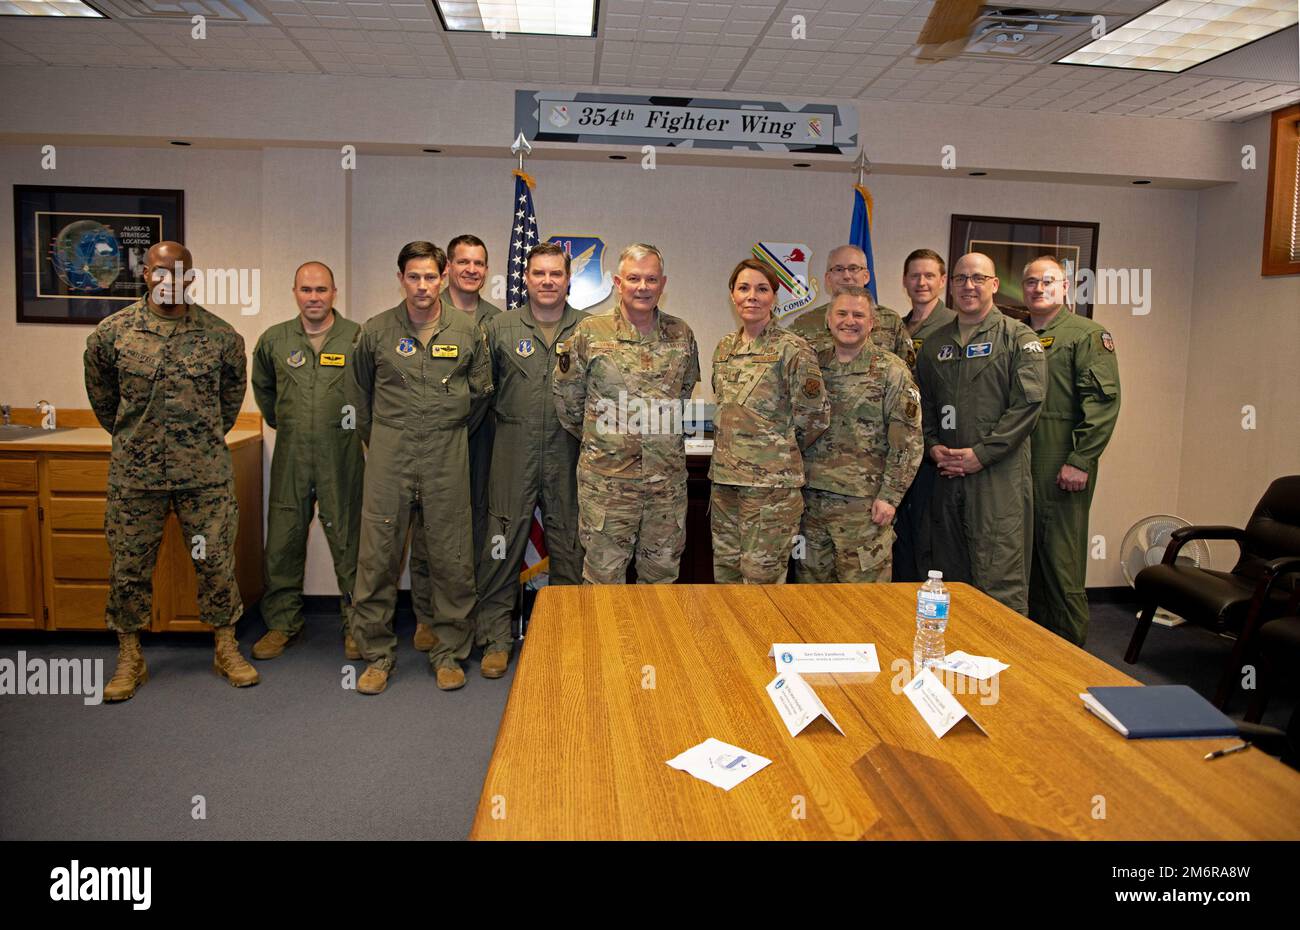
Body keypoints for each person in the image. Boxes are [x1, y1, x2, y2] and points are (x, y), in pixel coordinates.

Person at [84, 240, 257, 701]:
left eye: (179, 274)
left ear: (191, 279)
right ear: (146, 275)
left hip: (203, 475)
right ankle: (129, 657)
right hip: (136, 478)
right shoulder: (112, 334)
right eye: (161, 272)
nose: (169, 281)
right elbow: (104, 403)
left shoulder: (221, 337)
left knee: (216, 562)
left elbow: (228, 404)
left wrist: (194, 442)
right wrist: (137, 441)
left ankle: (225, 647)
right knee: (129, 568)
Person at [347, 241, 493, 694]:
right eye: (414, 276)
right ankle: (375, 654)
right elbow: (358, 399)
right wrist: (385, 440)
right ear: (401, 279)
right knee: (378, 556)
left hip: (447, 451)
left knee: (451, 556)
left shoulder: (468, 331)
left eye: (431, 276)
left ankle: (449, 652)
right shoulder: (375, 332)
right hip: (391, 449)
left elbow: (481, 394)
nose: (423, 286)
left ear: (444, 277)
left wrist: (447, 431)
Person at [554, 243, 700, 584]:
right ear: (619, 283)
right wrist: (609, 441)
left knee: (662, 581)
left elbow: (683, 392)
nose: (643, 287)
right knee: (603, 582)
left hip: (665, 488)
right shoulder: (590, 333)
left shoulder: (682, 334)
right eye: (634, 278)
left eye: (651, 279)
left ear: (663, 284)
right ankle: (606, 641)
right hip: (607, 488)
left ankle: (656, 641)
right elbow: (569, 403)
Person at [476, 243, 587, 676]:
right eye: (538, 273)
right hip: (512, 451)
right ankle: (497, 641)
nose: (547, 281)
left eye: (555, 274)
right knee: (501, 546)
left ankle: (566, 638)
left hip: (568, 452)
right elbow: (481, 394)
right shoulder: (500, 328)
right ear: (526, 278)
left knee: (569, 547)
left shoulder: (589, 330)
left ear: (567, 279)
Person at [914, 252, 1046, 615]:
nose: (968, 286)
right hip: (946, 475)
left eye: (977, 278)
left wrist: (981, 455)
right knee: (948, 574)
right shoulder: (935, 344)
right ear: (950, 285)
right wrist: (933, 446)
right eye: (960, 278)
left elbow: (1027, 407)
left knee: (998, 577)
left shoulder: (1018, 338)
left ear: (994, 285)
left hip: (997, 477)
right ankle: (953, 657)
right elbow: (921, 405)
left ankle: (1004, 664)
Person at [248, 262, 363, 661]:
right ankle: (283, 623)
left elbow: (373, 391)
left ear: (335, 292)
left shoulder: (357, 337)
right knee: (283, 537)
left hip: (343, 454)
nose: (314, 297)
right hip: (292, 453)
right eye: (306, 290)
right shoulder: (274, 340)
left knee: (350, 539)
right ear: (295, 292)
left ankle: (356, 624)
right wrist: (290, 422)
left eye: (322, 290)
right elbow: (265, 392)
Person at [408, 235, 502, 654]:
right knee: (429, 528)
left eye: (478, 263)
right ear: (448, 268)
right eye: (462, 262)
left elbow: (491, 390)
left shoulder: (498, 322)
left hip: (482, 438)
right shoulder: (425, 313)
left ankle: (472, 614)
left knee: (478, 526)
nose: (471, 269)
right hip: (430, 443)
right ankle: (427, 615)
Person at [711, 259, 829, 584]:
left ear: (774, 297)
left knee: (761, 585)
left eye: (762, 289)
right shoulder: (724, 349)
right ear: (732, 295)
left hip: (771, 490)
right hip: (725, 484)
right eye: (744, 288)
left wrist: (774, 451)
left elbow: (814, 417)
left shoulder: (792, 349)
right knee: (726, 579)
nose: (752, 296)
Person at [1023, 255, 1121, 645]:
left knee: (1060, 561)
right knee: (1024, 561)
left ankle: (1069, 653)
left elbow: (1103, 403)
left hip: (1060, 460)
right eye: (1031, 282)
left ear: (1066, 287)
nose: (1039, 288)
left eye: (1048, 281)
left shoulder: (1086, 335)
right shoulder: (1016, 334)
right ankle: (1032, 646)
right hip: (1019, 460)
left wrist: (1080, 460)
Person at [798, 287, 923, 583]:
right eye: (841, 313)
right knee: (810, 598)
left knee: (866, 602)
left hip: (865, 508)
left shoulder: (892, 371)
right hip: (812, 504)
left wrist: (890, 497)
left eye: (858, 315)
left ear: (872, 323)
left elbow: (908, 441)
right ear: (828, 320)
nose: (849, 321)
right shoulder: (811, 366)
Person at [893, 248, 956, 582]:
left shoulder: (954, 326)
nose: (921, 282)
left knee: (931, 534)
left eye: (929, 275)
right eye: (915, 275)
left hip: (936, 444)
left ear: (942, 281)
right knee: (901, 532)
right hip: (901, 443)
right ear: (904, 281)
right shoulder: (896, 327)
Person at [787, 244, 914, 368]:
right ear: (828, 278)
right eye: (839, 269)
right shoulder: (805, 323)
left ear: (866, 276)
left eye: (853, 268)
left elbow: (909, 371)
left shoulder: (891, 321)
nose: (847, 276)